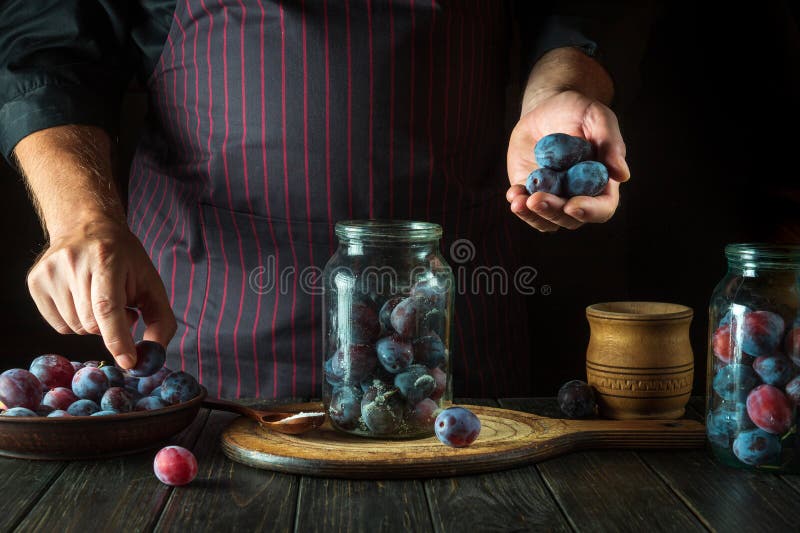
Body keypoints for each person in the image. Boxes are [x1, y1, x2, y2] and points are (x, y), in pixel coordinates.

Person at [0, 1, 635, 399]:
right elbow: (52, 51)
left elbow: (573, 11)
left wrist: (559, 93)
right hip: (215, 341)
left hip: (447, 347)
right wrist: (82, 219)